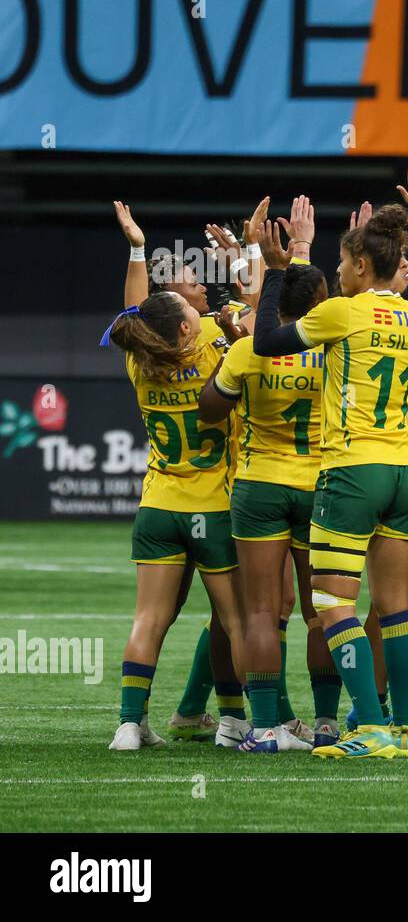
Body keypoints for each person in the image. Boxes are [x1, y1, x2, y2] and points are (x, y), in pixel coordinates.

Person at [252, 205, 408, 761]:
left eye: (342, 260)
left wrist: (278, 270)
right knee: (396, 608)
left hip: (352, 468)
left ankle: (369, 728)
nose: (338, 269)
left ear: (360, 263)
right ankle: (402, 727)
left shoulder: (344, 311)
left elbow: (266, 342)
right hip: (404, 468)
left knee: (331, 602)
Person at [198, 239, 332, 752]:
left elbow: (211, 411)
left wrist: (230, 355)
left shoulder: (250, 347)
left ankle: (264, 729)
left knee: (258, 612)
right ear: (319, 300)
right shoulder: (333, 345)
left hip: (258, 483)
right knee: (322, 609)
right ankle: (324, 724)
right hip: (320, 484)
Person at [105, 289, 243, 750]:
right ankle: (243, 722)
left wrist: (138, 250)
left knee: (148, 619)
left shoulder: (138, 362)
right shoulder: (213, 352)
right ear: (186, 327)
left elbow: (136, 313)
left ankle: (129, 724)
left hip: (159, 506)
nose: (196, 309)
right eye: (189, 310)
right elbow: (251, 319)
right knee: (235, 621)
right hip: (213, 508)